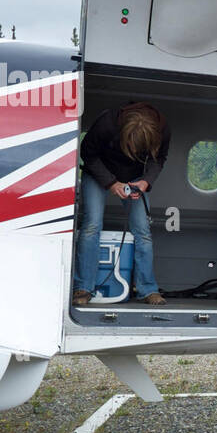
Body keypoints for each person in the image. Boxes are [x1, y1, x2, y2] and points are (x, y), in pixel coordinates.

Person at [72, 102, 170, 306]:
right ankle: (83, 288)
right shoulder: (107, 123)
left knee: (143, 231)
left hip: (135, 177)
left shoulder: (163, 129)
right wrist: (111, 183)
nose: (134, 153)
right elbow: (87, 153)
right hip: (99, 174)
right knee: (91, 226)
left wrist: (145, 182)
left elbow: (159, 159)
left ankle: (148, 290)